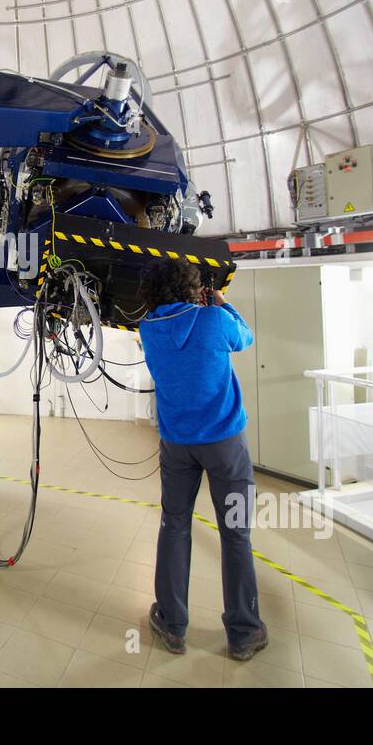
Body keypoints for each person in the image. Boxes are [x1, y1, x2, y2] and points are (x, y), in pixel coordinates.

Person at [137, 262, 267, 661]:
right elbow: (245, 337)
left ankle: (172, 623)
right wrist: (223, 304)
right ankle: (244, 632)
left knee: (174, 528)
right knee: (235, 533)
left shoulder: (148, 330)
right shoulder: (214, 319)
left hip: (177, 444)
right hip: (226, 444)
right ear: (192, 288)